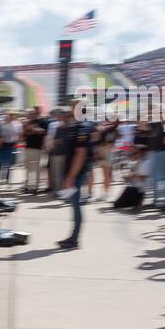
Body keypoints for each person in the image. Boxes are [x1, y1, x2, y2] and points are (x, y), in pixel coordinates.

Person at [57, 103, 92, 250]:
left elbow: (80, 154)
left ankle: (74, 239)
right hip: (71, 172)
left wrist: (71, 177)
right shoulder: (74, 126)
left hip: (76, 173)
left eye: (73, 107)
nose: (70, 110)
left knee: (76, 207)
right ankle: (73, 237)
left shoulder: (83, 128)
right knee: (74, 206)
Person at [22, 108, 48, 194]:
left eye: (32, 113)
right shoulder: (28, 123)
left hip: (37, 148)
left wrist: (33, 129)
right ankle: (27, 186)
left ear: (36, 113)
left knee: (35, 169)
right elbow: (24, 135)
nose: (30, 115)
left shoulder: (42, 122)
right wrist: (27, 129)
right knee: (28, 168)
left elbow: (43, 132)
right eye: (29, 113)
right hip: (28, 147)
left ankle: (35, 187)